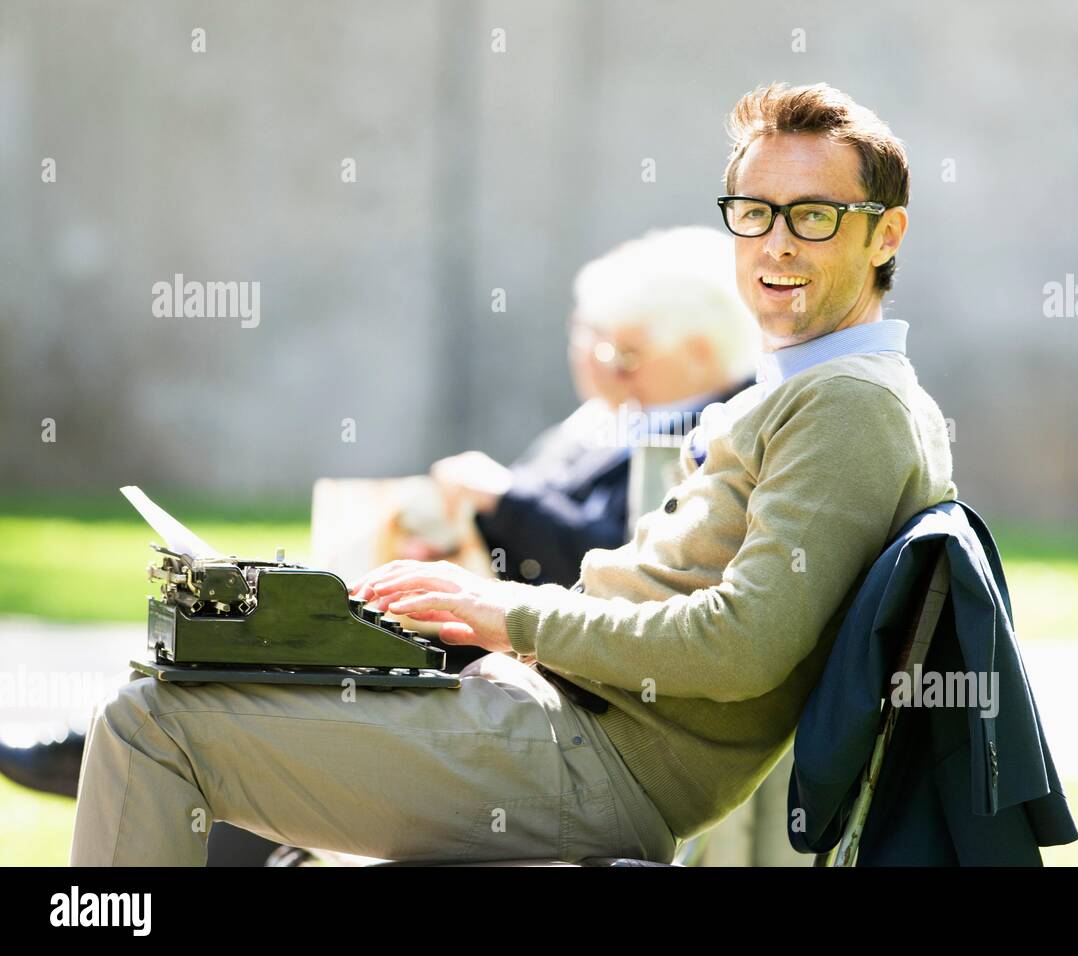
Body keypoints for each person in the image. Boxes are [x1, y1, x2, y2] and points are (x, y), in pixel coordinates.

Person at [69, 81, 959, 865]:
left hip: (591, 763)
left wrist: (505, 617)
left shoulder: (850, 403)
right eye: (753, 211)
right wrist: (486, 630)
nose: (776, 243)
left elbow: (741, 646)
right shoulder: (823, 388)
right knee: (207, 670)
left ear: (886, 235)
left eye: (813, 215)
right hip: (560, 724)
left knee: (151, 725)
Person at [414, 226, 759, 588]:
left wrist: (507, 500)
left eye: (627, 356)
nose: (608, 369)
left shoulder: (729, 436)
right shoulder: (608, 416)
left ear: (699, 354)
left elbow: (635, 564)